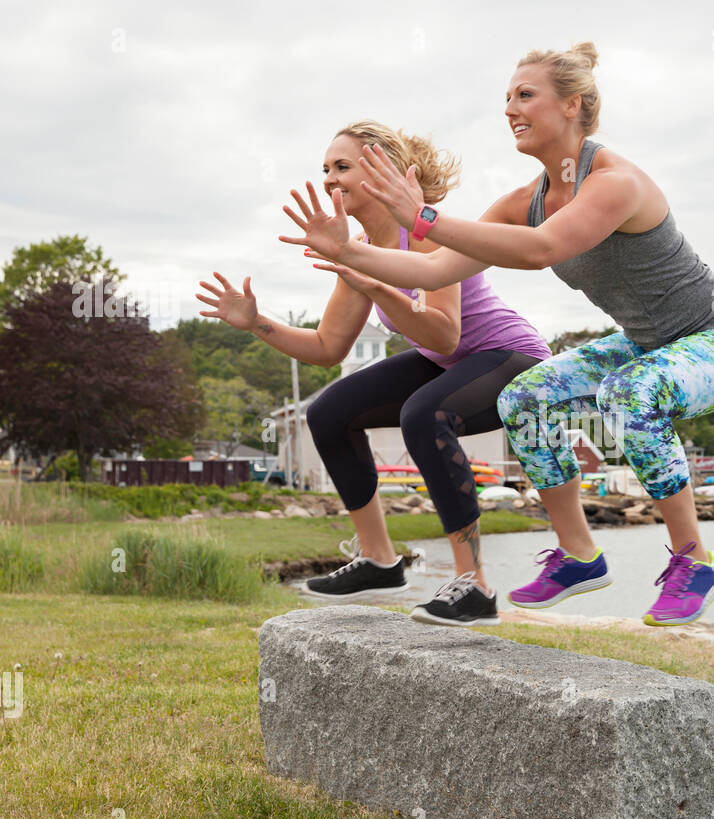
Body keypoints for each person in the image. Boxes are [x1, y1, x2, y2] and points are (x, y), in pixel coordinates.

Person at [278, 44, 714, 627]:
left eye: (525, 95)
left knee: (631, 393)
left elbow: (541, 250)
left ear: (572, 104)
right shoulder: (521, 202)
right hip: (645, 342)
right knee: (524, 396)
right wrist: (348, 250)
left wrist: (422, 218)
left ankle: (694, 561)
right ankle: (580, 555)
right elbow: (436, 268)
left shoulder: (616, 183)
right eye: (506, 97)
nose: (510, 108)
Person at [200, 120, 550, 627]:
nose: (329, 178)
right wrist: (257, 323)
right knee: (329, 412)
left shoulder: (423, 233)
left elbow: (444, 333)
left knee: (424, 414)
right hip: (450, 360)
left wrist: (377, 283)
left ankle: (474, 585)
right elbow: (327, 347)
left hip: (514, 360)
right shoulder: (358, 246)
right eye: (325, 168)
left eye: (342, 166)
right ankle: (380, 561)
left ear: (379, 169)